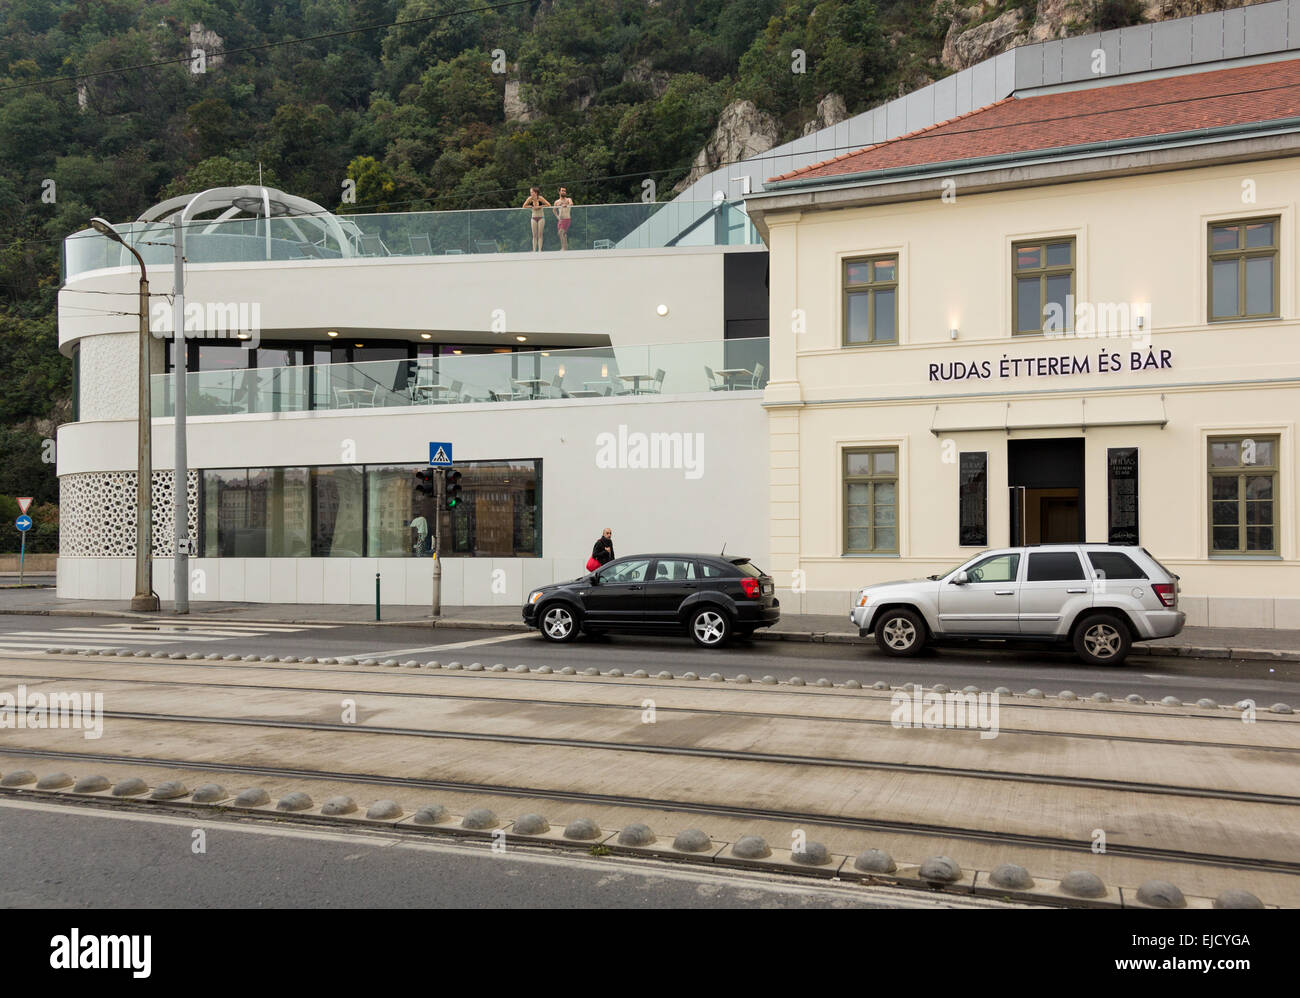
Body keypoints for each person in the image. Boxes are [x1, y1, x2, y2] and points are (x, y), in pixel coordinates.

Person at [522, 187, 550, 251]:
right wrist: (531, 206)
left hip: (541, 217)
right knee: (534, 235)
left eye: (532, 192)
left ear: (536, 192)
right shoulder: (530, 199)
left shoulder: (540, 198)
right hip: (533, 217)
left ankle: (540, 250)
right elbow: (524, 206)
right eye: (530, 192)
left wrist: (540, 206)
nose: (531, 193)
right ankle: (534, 250)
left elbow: (548, 205)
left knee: (540, 234)